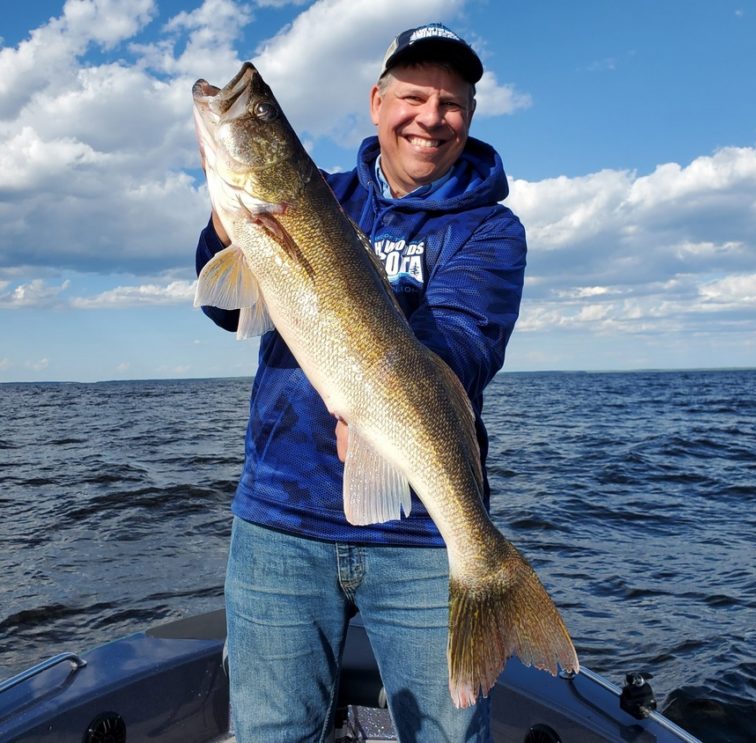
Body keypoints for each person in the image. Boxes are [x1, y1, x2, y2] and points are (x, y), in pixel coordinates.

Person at [195, 22, 527, 743]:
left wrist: (385, 418)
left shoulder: (491, 230)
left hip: (421, 539)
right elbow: (228, 310)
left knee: (449, 735)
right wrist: (228, 228)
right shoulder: (324, 197)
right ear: (377, 103)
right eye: (413, 96)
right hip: (279, 520)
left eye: (451, 103)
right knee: (269, 732)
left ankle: (488, 573)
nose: (430, 117)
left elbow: (465, 343)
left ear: (468, 116)